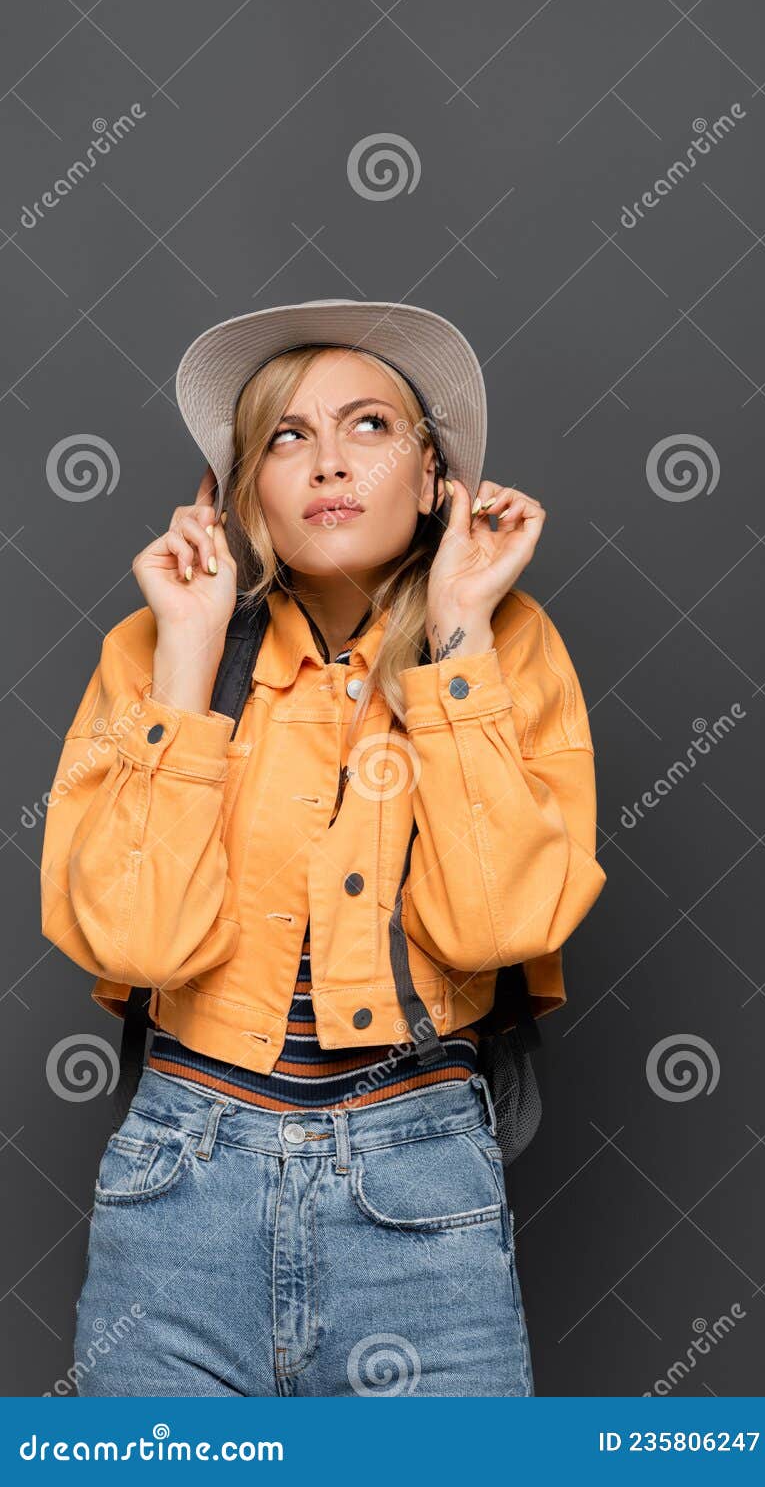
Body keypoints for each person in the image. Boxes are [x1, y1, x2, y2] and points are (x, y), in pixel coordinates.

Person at [40, 299, 606, 1397]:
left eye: (370, 427)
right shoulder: (153, 649)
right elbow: (136, 939)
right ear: (246, 487)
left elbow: (498, 926)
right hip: (180, 1189)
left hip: (420, 1181)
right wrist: (190, 657)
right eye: (288, 437)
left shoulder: (511, 648)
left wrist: (457, 638)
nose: (329, 463)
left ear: (436, 476)